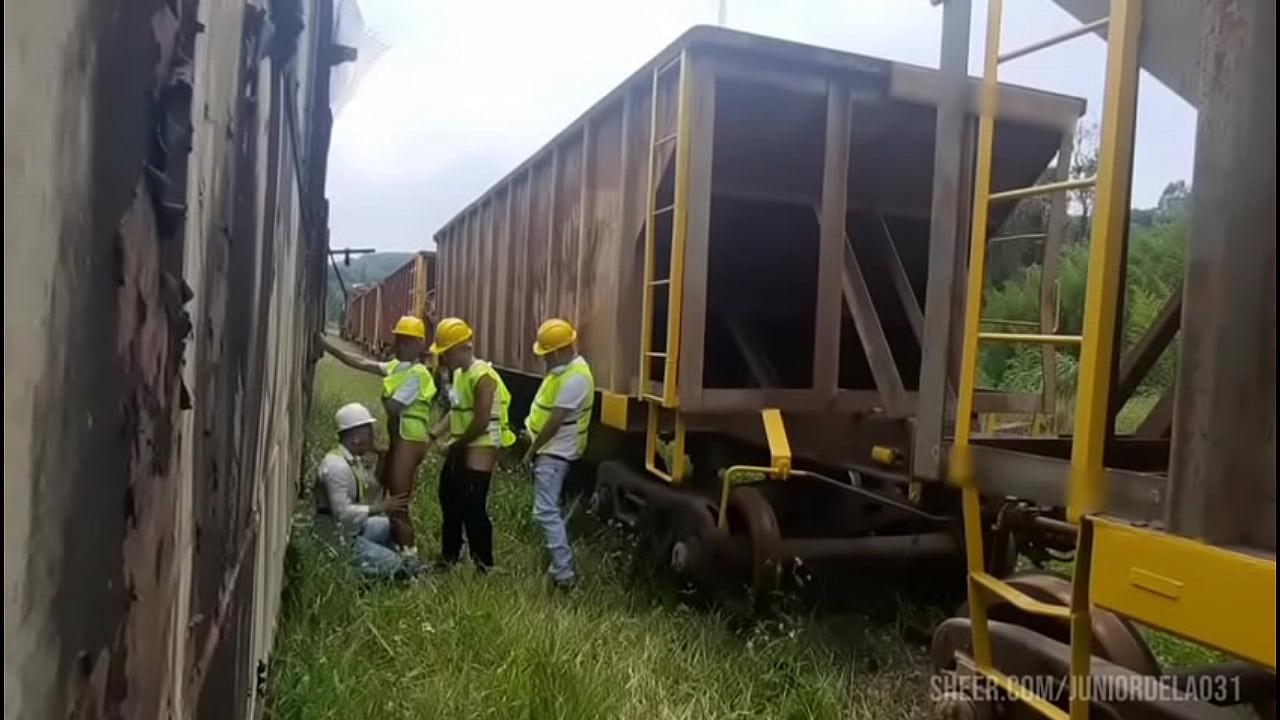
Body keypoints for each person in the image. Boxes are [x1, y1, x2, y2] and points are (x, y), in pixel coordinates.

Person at [320, 317, 436, 559]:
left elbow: (393, 407)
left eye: (407, 340)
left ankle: (409, 560)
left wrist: (384, 399)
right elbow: (361, 362)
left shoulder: (418, 373)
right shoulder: (396, 367)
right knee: (390, 495)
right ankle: (397, 548)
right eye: (399, 338)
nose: (400, 344)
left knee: (399, 503)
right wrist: (328, 346)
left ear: (419, 344)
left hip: (410, 440)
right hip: (400, 438)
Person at [426, 317, 516, 572]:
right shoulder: (459, 374)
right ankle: (450, 556)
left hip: (482, 443)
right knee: (449, 496)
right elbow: (456, 410)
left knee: (473, 504)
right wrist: (434, 435)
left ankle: (484, 563)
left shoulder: (482, 376)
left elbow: (480, 420)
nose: (443, 358)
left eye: (446, 352)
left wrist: (454, 444)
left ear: (461, 348)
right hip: (465, 442)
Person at [522, 318, 594, 589]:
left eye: (545, 355)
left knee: (545, 511)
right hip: (554, 451)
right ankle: (560, 565)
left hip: (554, 453)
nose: (544, 361)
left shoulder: (574, 379)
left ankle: (563, 573)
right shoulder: (570, 370)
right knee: (547, 508)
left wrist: (532, 450)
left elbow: (553, 423)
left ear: (555, 352)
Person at [314, 403, 419, 578]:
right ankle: (350, 569)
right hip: (337, 539)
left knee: (389, 526)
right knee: (394, 565)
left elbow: (371, 488)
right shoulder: (336, 468)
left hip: (350, 529)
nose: (373, 437)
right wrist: (378, 508)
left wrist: (382, 457)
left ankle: (379, 556)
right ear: (356, 437)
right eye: (369, 432)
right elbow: (342, 512)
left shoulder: (350, 460)